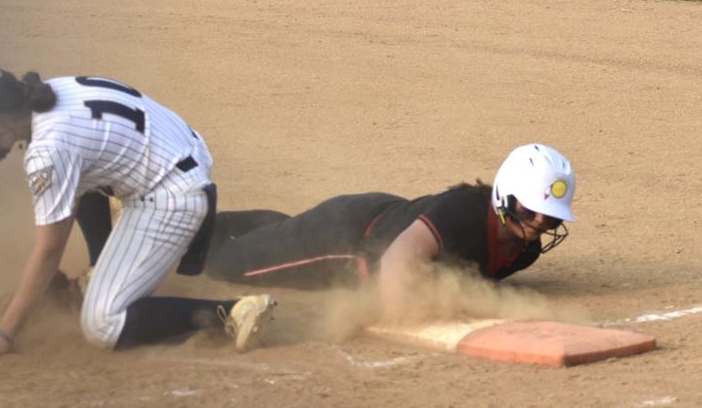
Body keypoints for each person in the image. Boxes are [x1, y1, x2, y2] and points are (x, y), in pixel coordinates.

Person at [0, 61, 276, 357]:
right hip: (179, 150)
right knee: (79, 176)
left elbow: (48, 252)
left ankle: (232, 311)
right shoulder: (52, 92)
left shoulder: (47, 151)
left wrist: (4, 331)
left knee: (102, 325)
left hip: (174, 196)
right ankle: (99, 269)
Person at [203, 144, 575, 317]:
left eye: (552, 217)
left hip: (381, 215)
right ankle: (195, 222)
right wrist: (403, 316)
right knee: (227, 265)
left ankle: (266, 227)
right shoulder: (463, 213)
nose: (542, 222)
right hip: (347, 239)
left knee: (284, 233)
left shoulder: (526, 249)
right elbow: (398, 261)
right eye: (533, 209)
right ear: (505, 196)